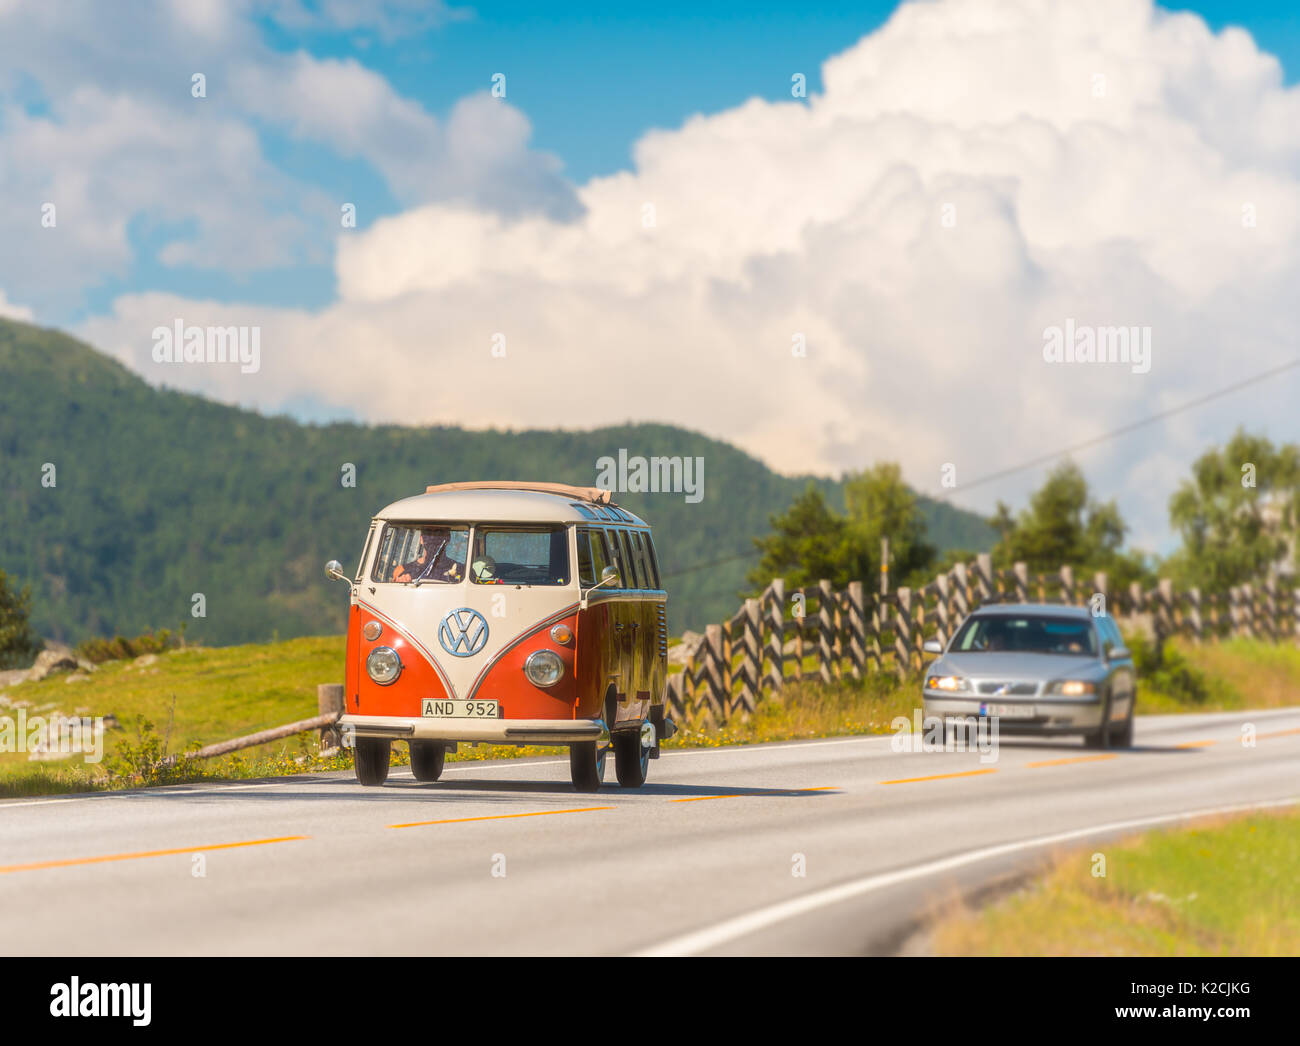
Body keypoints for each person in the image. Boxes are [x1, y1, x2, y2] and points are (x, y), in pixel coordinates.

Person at [393, 527, 463, 583]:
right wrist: (402, 582)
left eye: (439, 533)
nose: (433, 538)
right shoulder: (401, 570)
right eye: (428, 532)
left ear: (448, 538)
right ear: (421, 539)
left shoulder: (462, 570)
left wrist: (458, 579)